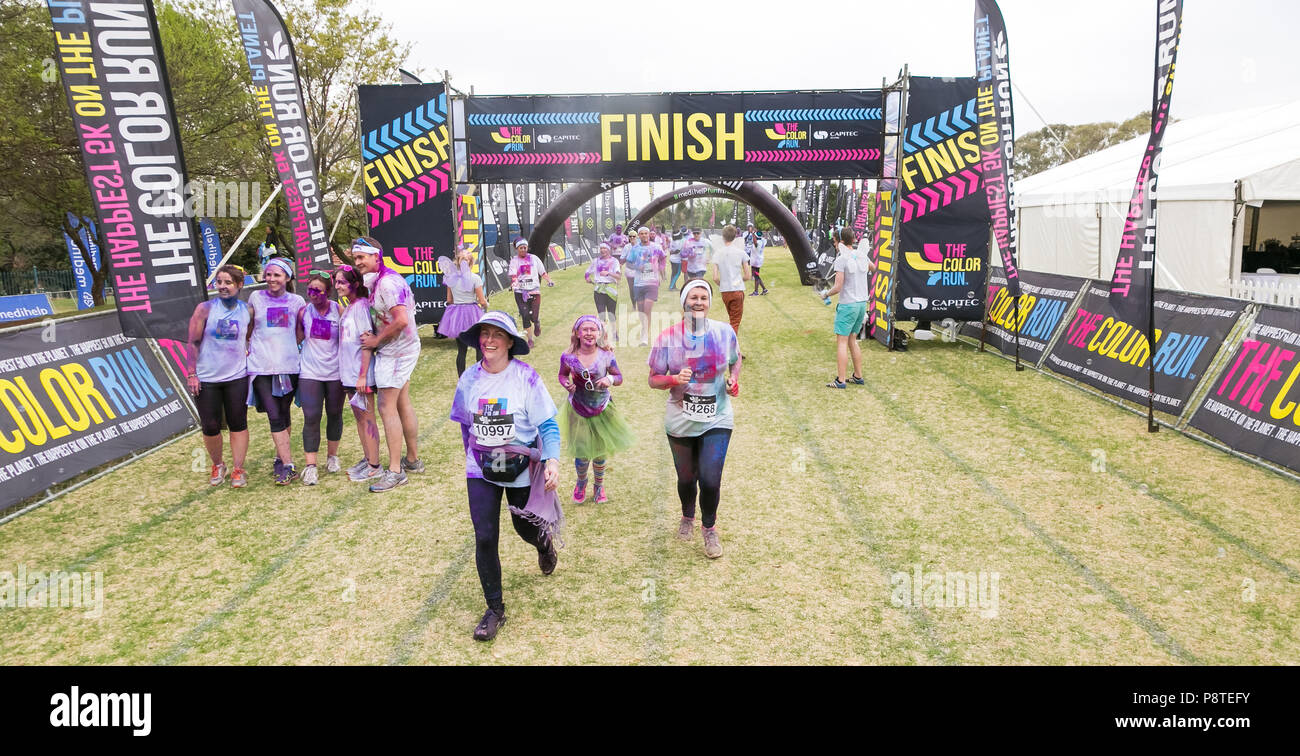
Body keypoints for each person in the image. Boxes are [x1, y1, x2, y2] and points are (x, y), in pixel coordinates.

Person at [450, 311, 563, 641]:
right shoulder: (469, 379)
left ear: (510, 342)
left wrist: (552, 461)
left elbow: (548, 425)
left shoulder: (526, 377)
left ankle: (544, 545)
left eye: (496, 334)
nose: (488, 340)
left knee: (524, 526)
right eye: (484, 334)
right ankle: (495, 609)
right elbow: (464, 423)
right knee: (484, 536)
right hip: (481, 467)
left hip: (519, 466)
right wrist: (472, 456)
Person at [648, 280, 741, 559]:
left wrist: (734, 380)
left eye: (703, 297)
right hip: (680, 420)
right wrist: (673, 379)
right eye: (693, 297)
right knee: (687, 479)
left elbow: (736, 360)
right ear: (684, 303)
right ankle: (687, 515)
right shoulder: (667, 338)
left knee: (711, 480)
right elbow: (653, 380)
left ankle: (709, 528)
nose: (698, 302)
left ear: (709, 302)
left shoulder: (724, 333)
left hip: (717, 417)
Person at [352, 236, 424, 492]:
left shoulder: (387, 284)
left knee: (386, 406)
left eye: (362, 257)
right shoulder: (380, 281)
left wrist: (375, 340)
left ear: (376, 256)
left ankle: (395, 471)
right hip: (398, 349)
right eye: (355, 257)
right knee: (402, 403)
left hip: (397, 352)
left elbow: (401, 320)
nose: (358, 262)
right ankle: (413, 460)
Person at [185, 264, 252, 488]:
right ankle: (218, 464)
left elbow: (249, 335)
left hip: (237, 377)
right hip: (207, 378)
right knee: (210, 426)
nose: (222, 287)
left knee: (238, 423)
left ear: (239, 285)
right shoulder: (204, 309)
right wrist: (192, 373)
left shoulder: (247, 310)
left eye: (228, 282)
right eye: (219, 282)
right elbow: (193, 342)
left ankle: (238, 469)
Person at [557, 315, 634, 504]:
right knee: (582, 452)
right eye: (585, 329)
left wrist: (610, 379)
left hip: (602, 408)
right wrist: (566, 383)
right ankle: (581, 482)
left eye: (593, 329)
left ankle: (599, 486)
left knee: (600, 452)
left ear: (599, 333)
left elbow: (619, 377)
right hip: (577, 409)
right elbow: (561, 375)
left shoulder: (606, 355)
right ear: (577, 333)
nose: (589, 333)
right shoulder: (568, 357)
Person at [246, 257, 306, 485]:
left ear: (287, 278)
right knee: (273, 415)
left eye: (276, 275)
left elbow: (300, 332)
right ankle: (288, 465)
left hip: (288, 366)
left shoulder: (297, 301)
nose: (271, 279)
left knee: (283, 412)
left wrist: (288, 347)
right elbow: (250, 327)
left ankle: (280, 458)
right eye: (268, 274)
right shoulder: (256, 297)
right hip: (261, 367)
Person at [295, 269, 345, 485]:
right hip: (310, 373)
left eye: (318, 291)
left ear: (329, 292)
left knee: (334, 413)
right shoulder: (303, 312)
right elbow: (295, 339)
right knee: (312, 417)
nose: (313, 295)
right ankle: (310, 466)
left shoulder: (339, 311)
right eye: (310, 290)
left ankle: (332, 457)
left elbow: (346, 341)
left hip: (335, 372)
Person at [334, 265, 382, 482]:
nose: (337, 286)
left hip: (360, 376)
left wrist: (363, 375)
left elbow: (367, 342)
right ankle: (367, 457)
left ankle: (375, 464)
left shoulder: (362, 307)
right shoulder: (350, 306)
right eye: (336, 282)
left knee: (368, 420)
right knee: (360, 419)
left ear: (354, 284)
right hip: (349, 374)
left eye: (342, 282)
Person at [822, 227, 876, 388]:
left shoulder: (842, 259)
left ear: (841, 241)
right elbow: (872, 268)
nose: (835, 245)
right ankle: (858, 376)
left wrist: (825, 294)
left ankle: (841, 380)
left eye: (835, 241)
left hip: (848, 305)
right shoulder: (860, 254)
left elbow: (838, 287)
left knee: (842, 342)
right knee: (853, 340)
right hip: (861, 304)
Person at [437, 247, 488, 376]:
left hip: (456, 315)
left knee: (461, 351)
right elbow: (482, 301)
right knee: (479, 347)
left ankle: (461, 379)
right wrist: (485, 303)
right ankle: (479, 376)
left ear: (458, 262)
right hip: (472, 314)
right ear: (471, 263)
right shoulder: (475, 278)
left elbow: (449, 300)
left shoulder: (451, 278)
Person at [508, 238, 554, 348]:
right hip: (520, 292)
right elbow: (513, 275)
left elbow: (542, 272)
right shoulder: (514, 261)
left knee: (534, 316)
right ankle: (530, 339)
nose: (523, 249)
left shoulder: (534, 259)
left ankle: (536, 322)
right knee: (524, 315)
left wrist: (549, 280)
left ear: (527, 247)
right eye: (521, 248)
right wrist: (514, 283)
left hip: (534, 291)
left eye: (525, 247)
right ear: (517, 249)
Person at [624, 226, 666, 346]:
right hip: (638, 283)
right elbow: (629, 263)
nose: (644, 235)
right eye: (641, 234)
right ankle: (644, 328)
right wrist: (637, 267)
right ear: (638, 236)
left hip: (652, 282)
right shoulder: (635, 248)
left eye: (645, 233)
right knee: (641, 310)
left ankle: (644, 336)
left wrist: (661, 269)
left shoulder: (656, 247)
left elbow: (663, 258)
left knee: (648, 308)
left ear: (649, 234)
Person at [711, 224, 752, 338]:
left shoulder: (717, 253)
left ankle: (734, 349)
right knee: (735, 322)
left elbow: (715, 277)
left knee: (732, 320)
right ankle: (730, 350)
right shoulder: (741, 253)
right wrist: (738, 280)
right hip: (737, 290)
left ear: (723, 237)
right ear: (735, 236)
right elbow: (748, 275)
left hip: (725, 291)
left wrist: (724, 282)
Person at [585, 242, 622, 344]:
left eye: (605, 248)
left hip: (611, 290)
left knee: (611, 314)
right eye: (601, 248)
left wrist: (608, 273)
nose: (602, 250)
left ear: (609, 250)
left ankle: (614, 333)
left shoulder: (614, 261)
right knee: (601, 314)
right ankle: (603, 334)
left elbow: (619, 277)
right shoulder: (596, 261)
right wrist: (587, 278)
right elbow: (587, 272)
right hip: (599, 290)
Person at [745, 224, 769, 296]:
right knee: (756, 276)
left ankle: (756, 292)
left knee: (756, 276)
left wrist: (753, 234)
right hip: (758, 260)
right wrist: (755, 233)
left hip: (756, 261)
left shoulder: (757, 243)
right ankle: (764, 290)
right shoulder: (763, 241)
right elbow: (762, 237)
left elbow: (755, 242)